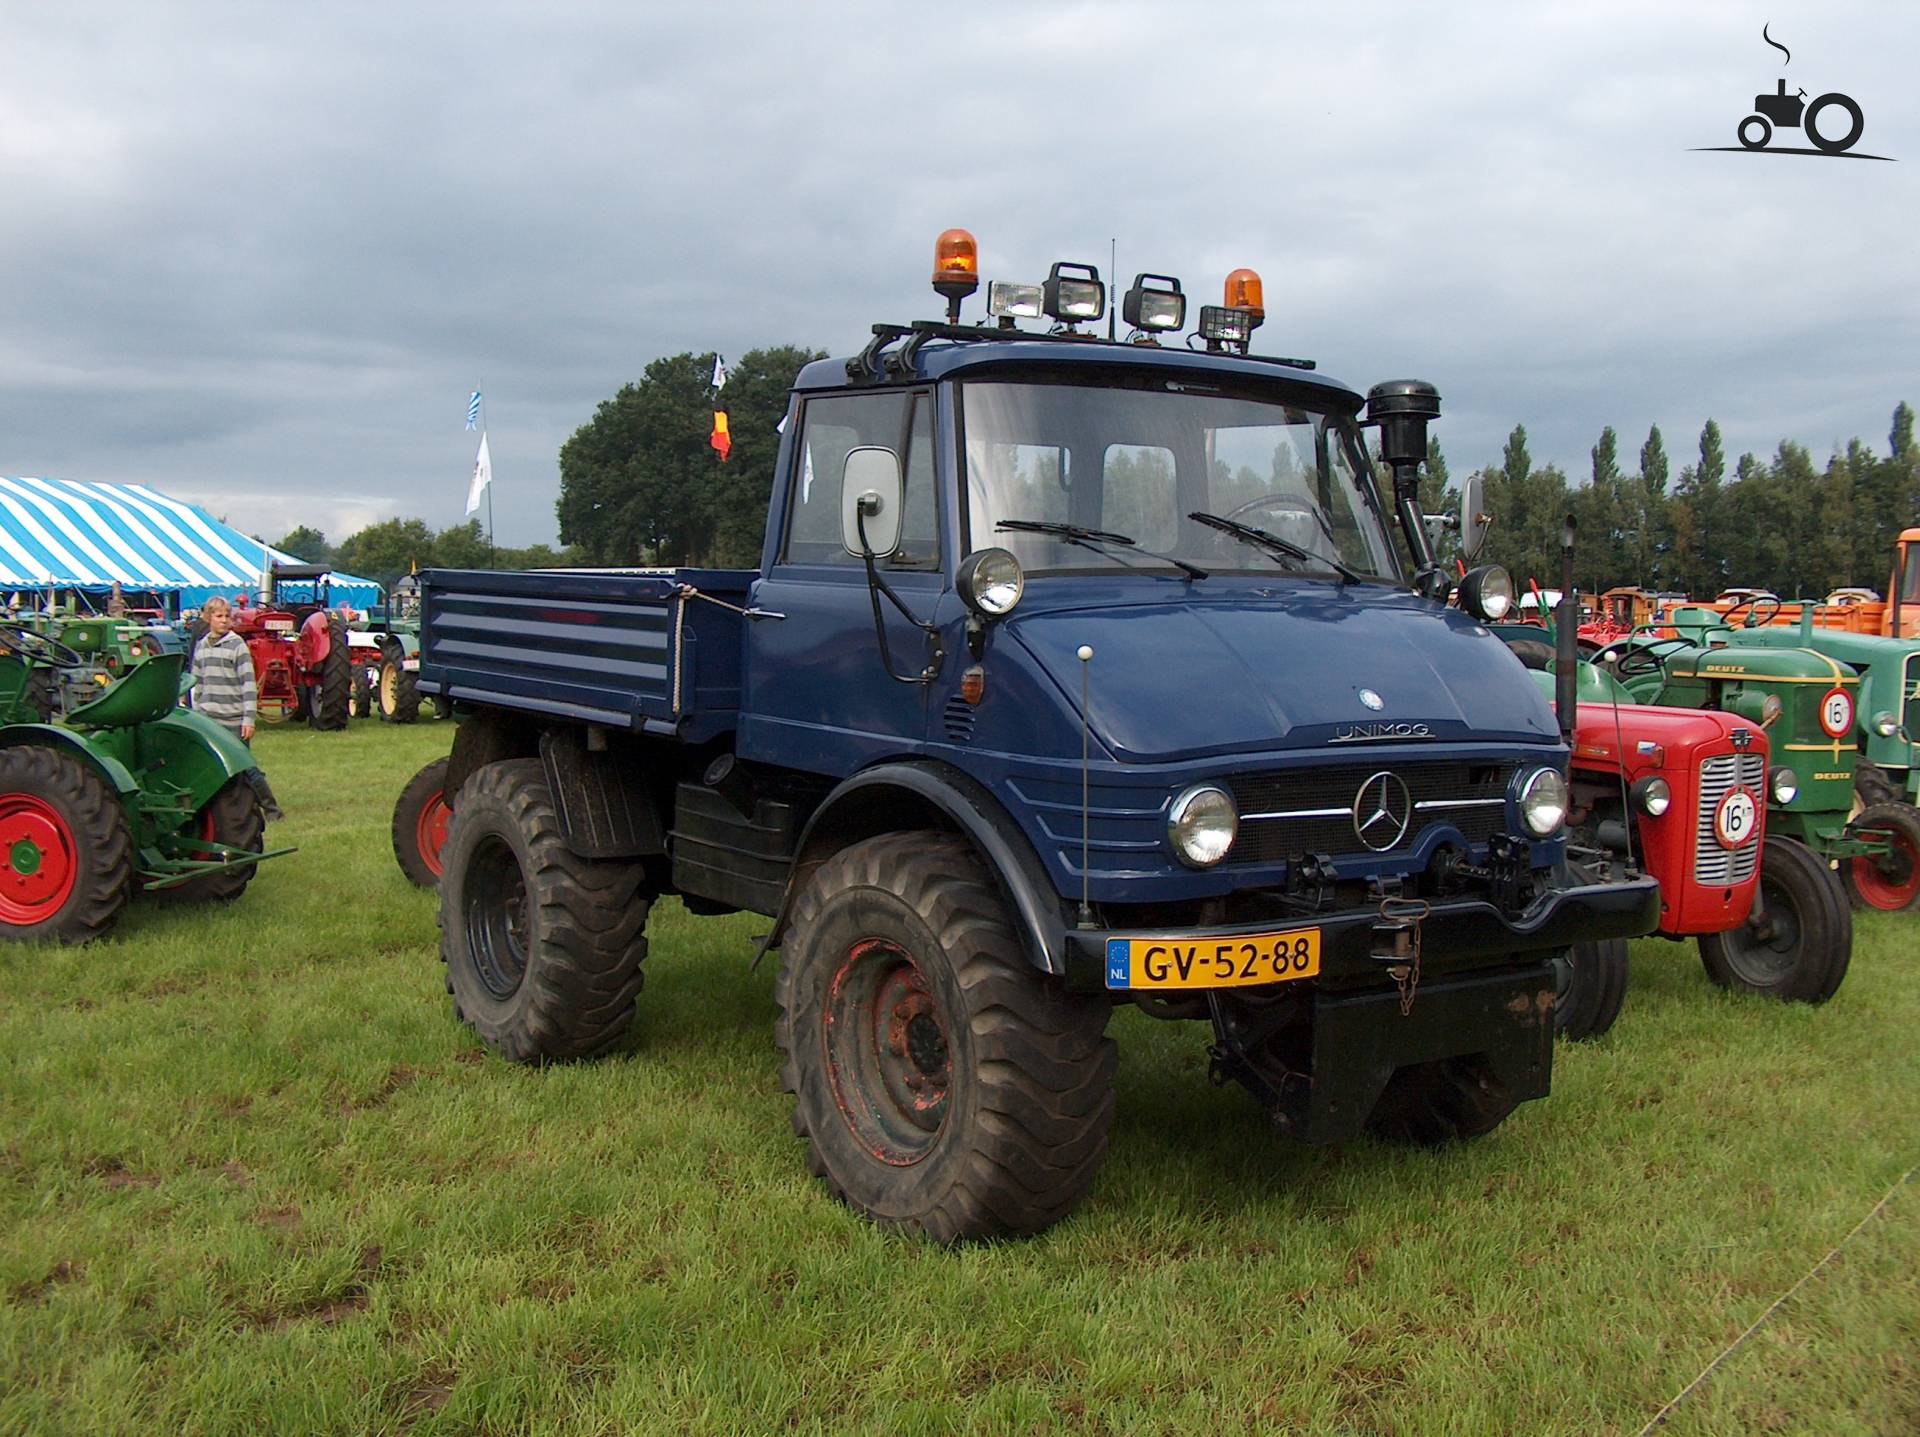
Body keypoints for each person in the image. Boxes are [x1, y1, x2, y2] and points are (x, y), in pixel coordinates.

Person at [190, 596, 256, 742]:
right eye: (219, 616)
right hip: (208, 721)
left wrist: (249, 720)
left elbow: (249, 684)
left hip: (234, 722)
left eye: (227, 616)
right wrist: (197, 713)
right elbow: (197, 683)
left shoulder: (238, 645)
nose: (224, 620)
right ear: (209, 618)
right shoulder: (201, 646)